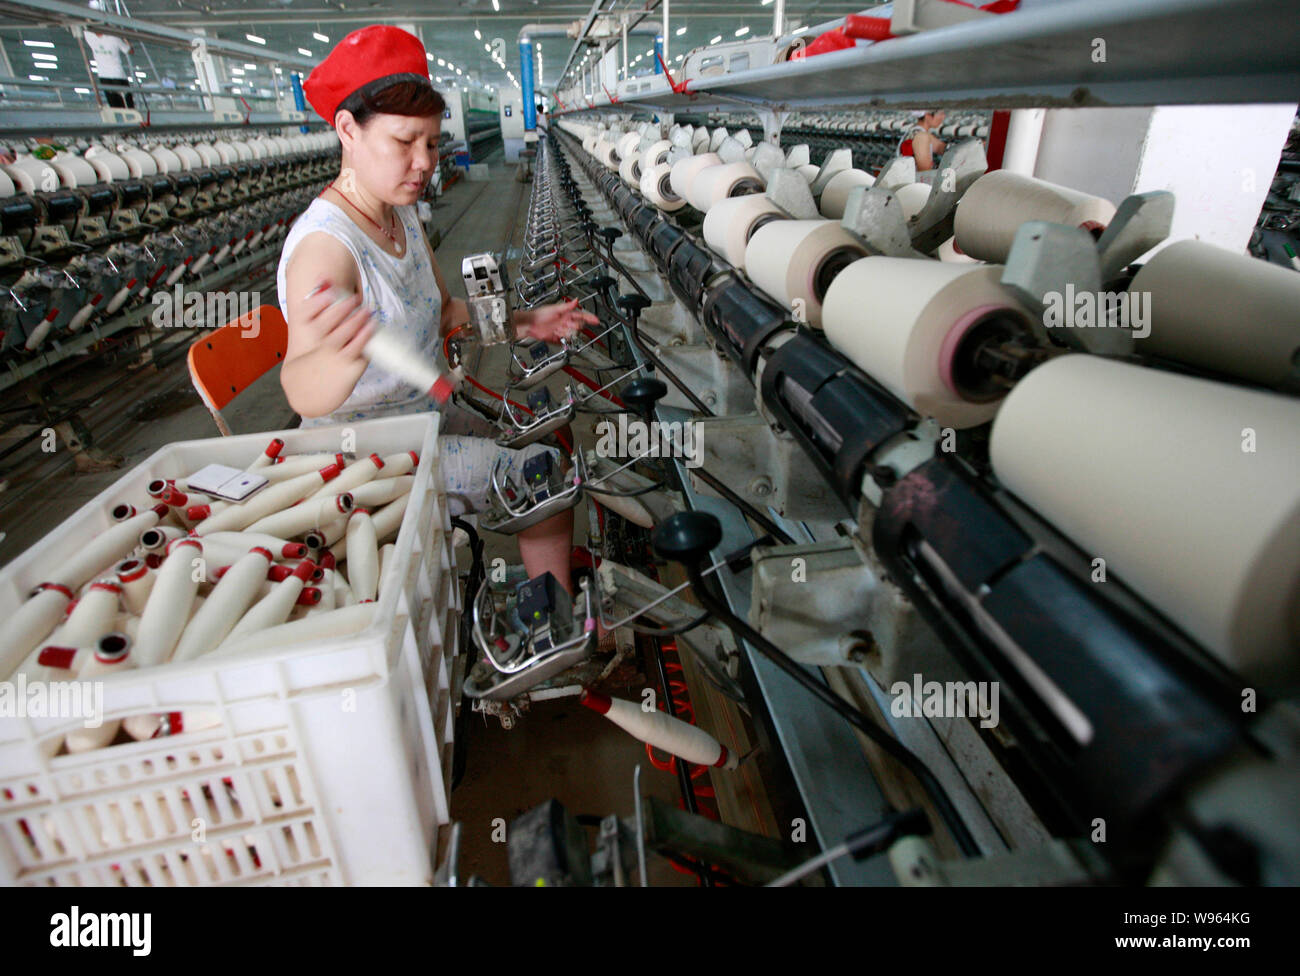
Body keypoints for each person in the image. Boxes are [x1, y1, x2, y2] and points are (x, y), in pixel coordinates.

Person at [277, 25, 598, 597]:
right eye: (405, 142)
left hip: (421, 418)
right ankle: (554, 628)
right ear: (348, 130)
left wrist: (526, 321)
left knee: (537, 438)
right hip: (365, 454)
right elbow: (300, 386)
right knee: (541, 476)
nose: (424, 161)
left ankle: (515, 594)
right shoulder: (327, 248)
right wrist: (343, 355)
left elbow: (445, 309)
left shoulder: (397, 217)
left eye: (430, 141)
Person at [85, 0, 135, 109]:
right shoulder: (114, 38)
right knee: (128, 105)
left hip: (103, 76)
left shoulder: (88, 35)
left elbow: (87, 24)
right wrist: (123, 35)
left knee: (114, 105)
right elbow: (130, 51)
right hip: (118, 76)